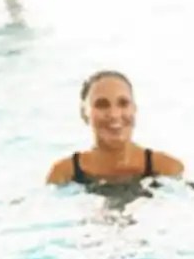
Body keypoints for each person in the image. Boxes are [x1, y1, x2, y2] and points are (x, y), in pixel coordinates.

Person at [44, 71, 186, 187]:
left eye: (123, 103)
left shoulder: (166, 168)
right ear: (84, 114)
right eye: (101, 105)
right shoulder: (64, 173)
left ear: (134, 109)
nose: (114, 114)